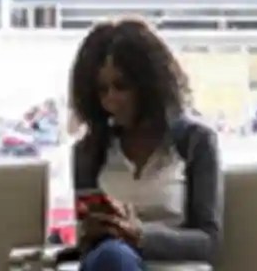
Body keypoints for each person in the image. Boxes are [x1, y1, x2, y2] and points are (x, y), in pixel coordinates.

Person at [68, 17, 223, 271]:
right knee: (111, 256)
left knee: (113, 257)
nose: (111, 100)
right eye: (102, 90)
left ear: (148, 85)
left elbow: (208, 242)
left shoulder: (196, 142)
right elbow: (84, 245)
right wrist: (89, 234)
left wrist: (140, 235)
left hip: (174, 267)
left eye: (121, 86)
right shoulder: (89, 151)